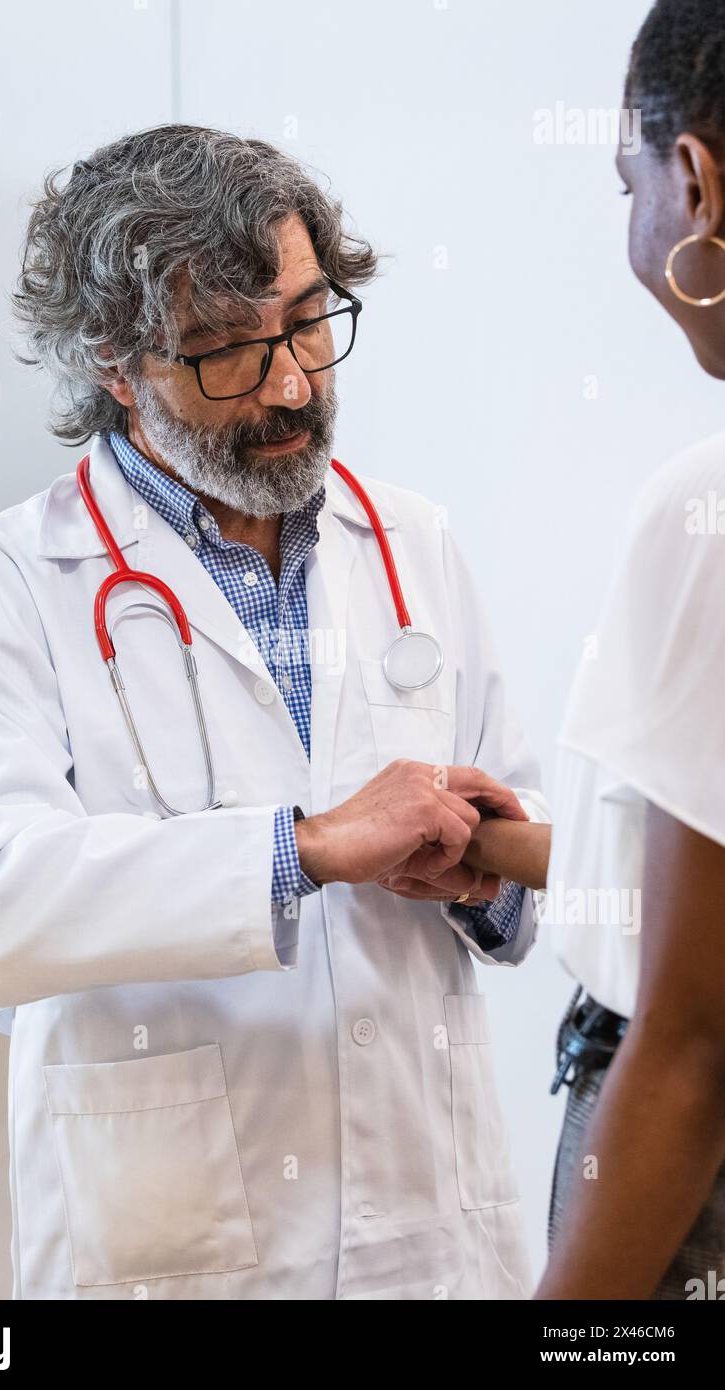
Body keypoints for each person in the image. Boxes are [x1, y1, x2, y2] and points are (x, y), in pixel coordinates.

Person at [0, 124, 548, 1301]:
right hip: (175, 1247)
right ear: (112, 362)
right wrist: (298, 852)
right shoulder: (6, 580)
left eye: (308, 320)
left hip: (434, 1235)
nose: (293, 383)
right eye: (225, 354)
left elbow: (512, 814)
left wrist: (490, 875)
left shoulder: (412, 540)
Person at [466, 0, 725, 1302]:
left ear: (694, 179)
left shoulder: (706, 508)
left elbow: (689, 1038)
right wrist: (498, 846)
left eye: (626, 182)